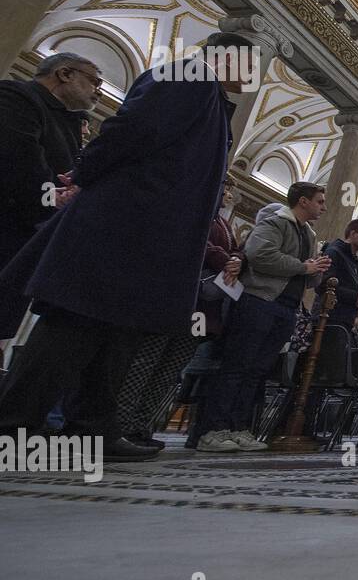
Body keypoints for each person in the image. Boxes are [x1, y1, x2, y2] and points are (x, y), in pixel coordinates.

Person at [0, 34, 248, 460]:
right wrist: (85, 173)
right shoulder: (184, 76)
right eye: (251, 64)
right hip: (125, 223)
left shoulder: (207, 95)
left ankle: (90, 429)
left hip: (151, 232)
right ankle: (15, 426)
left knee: (117, 334)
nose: (252, 78)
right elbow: (131, 129)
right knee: (75, 324)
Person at [197, 182, 329, 453]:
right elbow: (260, 255)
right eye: (319, 201)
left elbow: (309, 278)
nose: (323, 207)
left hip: (286, 306)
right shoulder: (276, 222)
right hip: (259, 301)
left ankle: (239, 428)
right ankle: (213, 430)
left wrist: (317, 270)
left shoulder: (310, 234)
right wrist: (304, 266)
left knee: (257, 371)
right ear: (303, 201)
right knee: (237, 366)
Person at [114, 178, 244, 449]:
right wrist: (226, 259)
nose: (226, 194)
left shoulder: (223, 223)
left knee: (171, 367)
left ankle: (142, 425)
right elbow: (199, 243)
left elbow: (234, 251)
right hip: (174, 297)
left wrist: (237, 260)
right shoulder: (192, 210)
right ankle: (119, 425)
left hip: (204, 308)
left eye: (228, 190)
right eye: (223, 188)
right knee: (146, 361)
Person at [0, 53, 100, 341]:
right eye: (94, 81)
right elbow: (17, 156)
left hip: (24, 239)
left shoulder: (68, 121)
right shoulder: (17, 96)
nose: (98, 90)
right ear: (65, 73)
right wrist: (54, 198)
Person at [314, 219, 358, 342]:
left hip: (345, 320)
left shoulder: (356, 261)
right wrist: (355, 297)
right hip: (330, 318)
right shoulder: (334, 252)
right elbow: (322, 284)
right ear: (352, 234)